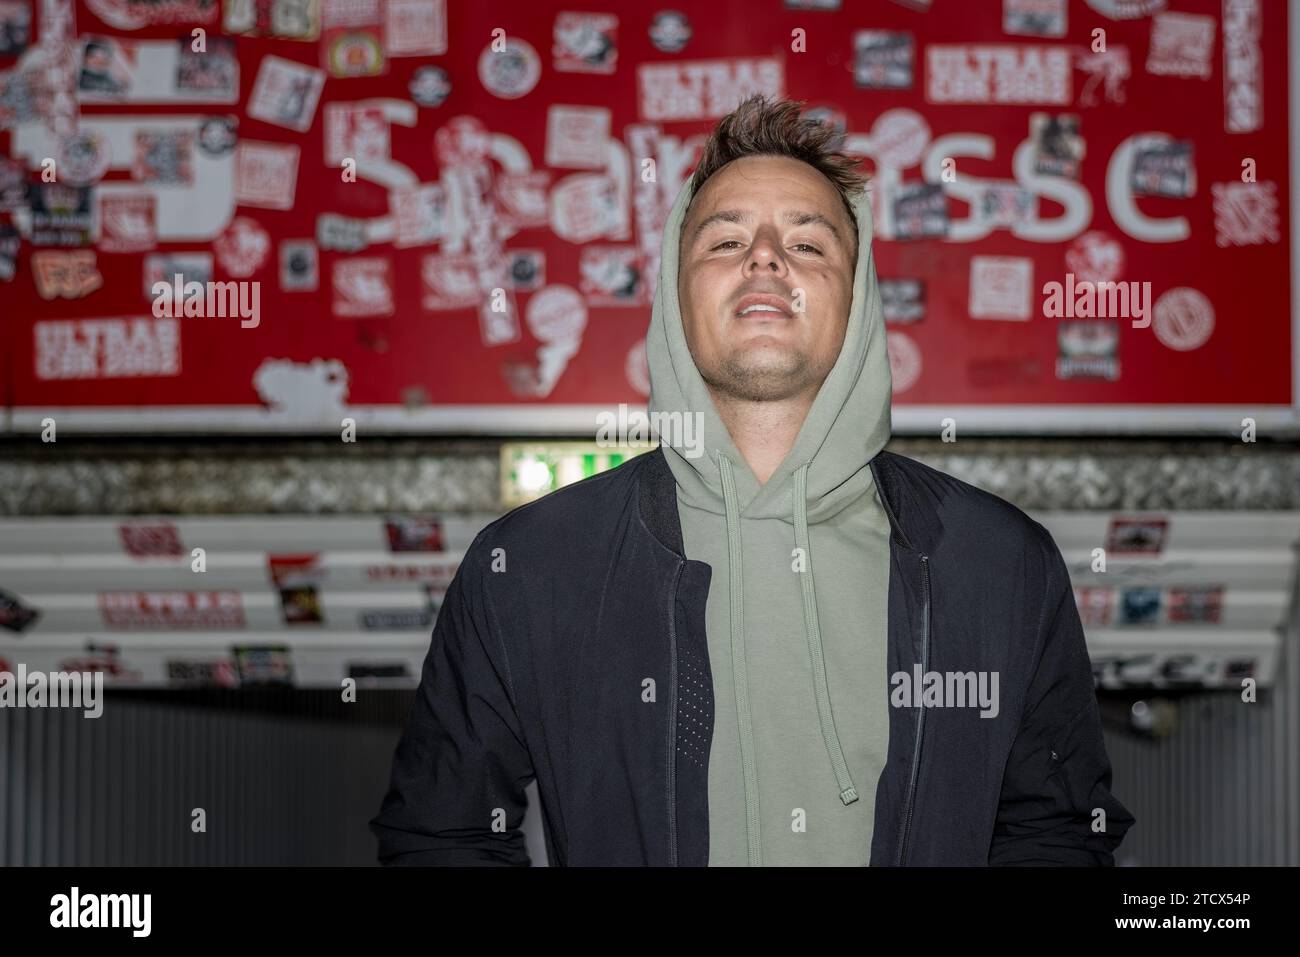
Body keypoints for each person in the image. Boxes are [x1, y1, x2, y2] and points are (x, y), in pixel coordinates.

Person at [370, 94, 1135, 866]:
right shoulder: (530, 567)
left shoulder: (999, 565)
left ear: (859, 298)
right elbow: (442, 836)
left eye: (807, 245)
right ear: (675, 294)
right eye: (726, 239)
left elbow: (1057, 832)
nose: (765, 258)